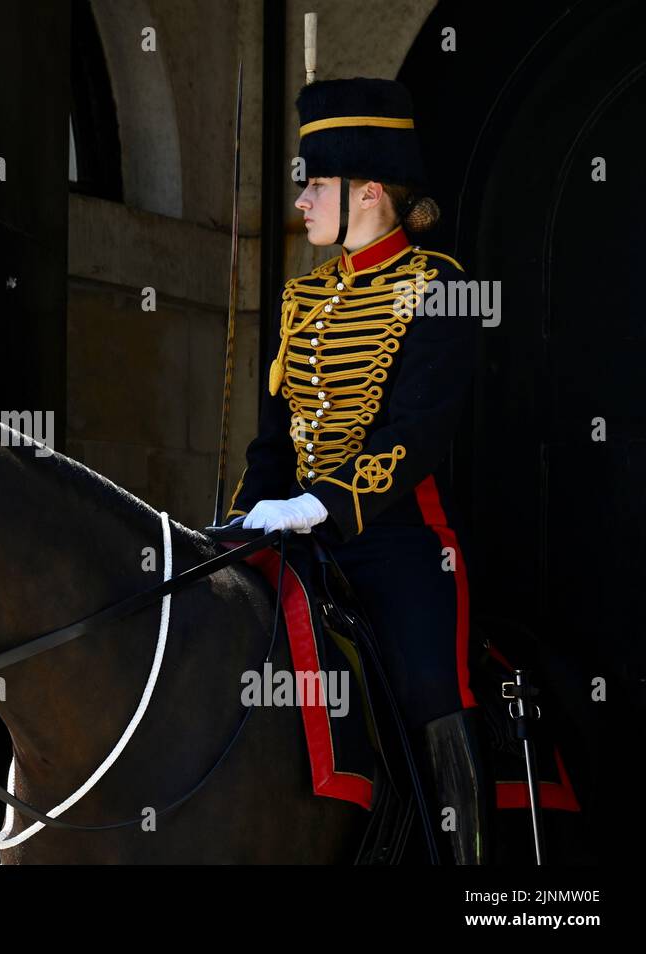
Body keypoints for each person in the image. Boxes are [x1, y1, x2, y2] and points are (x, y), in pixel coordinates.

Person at [224, 77, 490, 863]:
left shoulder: (442, 289)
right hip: (294, 542)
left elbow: (415, 436)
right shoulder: (299, 300)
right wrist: (244, 518)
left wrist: (319, 506)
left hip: (398, 543)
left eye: (317, 185)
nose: (302, 201)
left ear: (369, 191)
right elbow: (272, 444)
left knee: (429, 689)